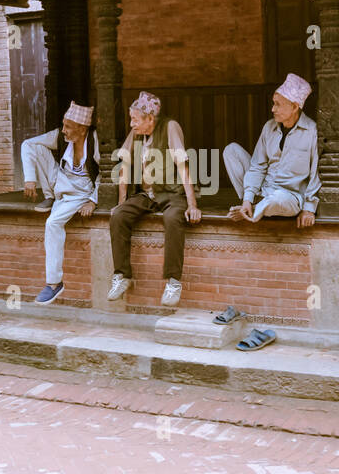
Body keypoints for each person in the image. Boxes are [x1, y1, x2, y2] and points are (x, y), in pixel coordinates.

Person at [107, 91, 202, 307]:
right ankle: (122, 276)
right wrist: (121, 203)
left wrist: (192, 204)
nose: (131, 124)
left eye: (135, 119)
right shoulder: (136, 133)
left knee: (172, 218)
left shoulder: (170, 127)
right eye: (131, 119)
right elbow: (125, 166)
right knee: (119, 216)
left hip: (172, 192)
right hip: (147, 194)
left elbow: (182, 165)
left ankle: (173, 281)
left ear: (150, 118)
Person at [21, 101, 99, 304]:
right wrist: (30, 178)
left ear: (82, 129)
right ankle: (49, 195)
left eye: (68, 127)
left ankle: (54, 283)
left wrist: (93, 200)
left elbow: (108, 173)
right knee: (34, 147)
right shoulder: (61, 137)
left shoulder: (94, 141)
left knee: (52, 223)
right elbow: (27, 145)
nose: (63, 130)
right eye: (63, 125)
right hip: (60, 183)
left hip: (81, 192)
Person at [223, 72, 320, 228]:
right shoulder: (269, 127)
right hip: (263, 190)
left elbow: (315, 174)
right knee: (231, 150)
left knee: (277, 199)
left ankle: (253, 211)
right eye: (273, 103)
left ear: (294, 107)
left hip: (288, 198)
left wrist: (309, 208)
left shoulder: (312, 132)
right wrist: (247, 198)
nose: (273, 109)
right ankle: (251, 205)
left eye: (278, 104)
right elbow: (257, 166)